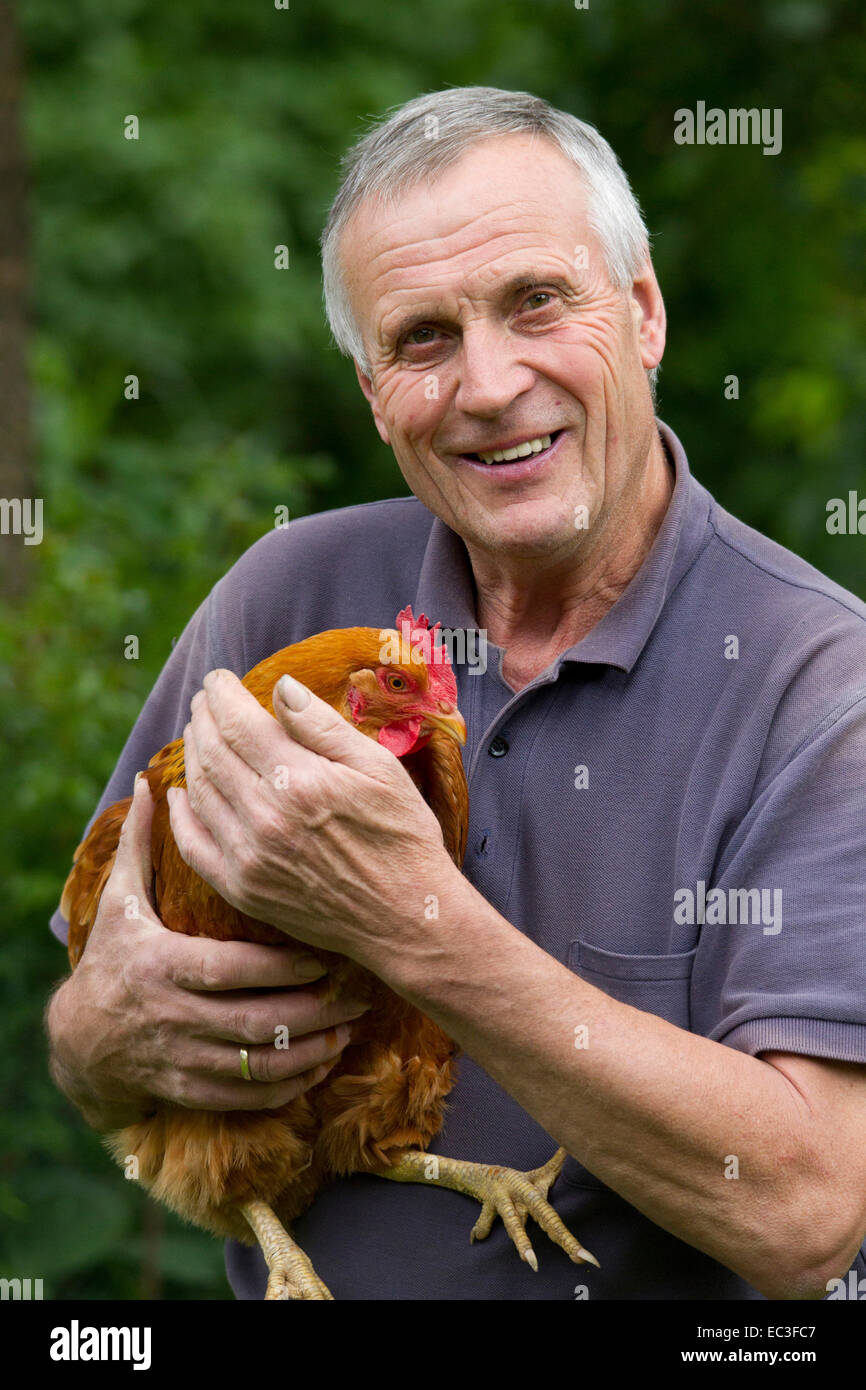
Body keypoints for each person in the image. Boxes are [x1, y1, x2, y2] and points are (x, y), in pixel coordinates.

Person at [46, 87, 866, 1301]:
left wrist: (407, 919)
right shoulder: (283, 594)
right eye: (420, 337)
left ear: (639, 315)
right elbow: (85, 1042)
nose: (487, 384)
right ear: (374, 392)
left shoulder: (816, 682)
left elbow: (807, 1218)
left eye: (535, 301)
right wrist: (105, 1036)